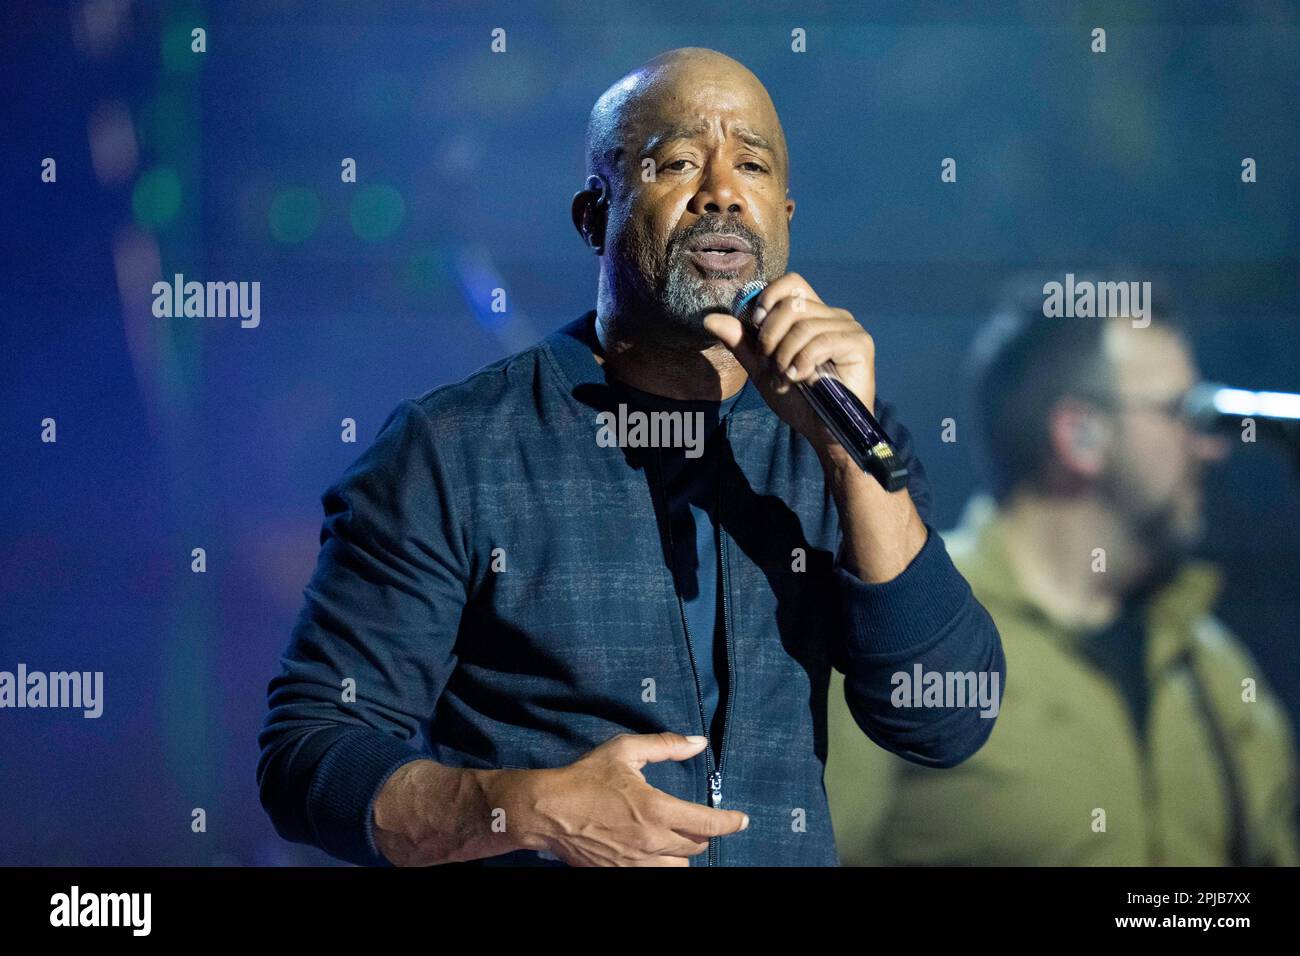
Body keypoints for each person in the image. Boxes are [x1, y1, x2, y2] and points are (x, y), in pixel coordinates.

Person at [258, 47, 1004, 868]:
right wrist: (524, 809)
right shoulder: (456, 449)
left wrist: (848, 462)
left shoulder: (839, 438)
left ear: (784, 215)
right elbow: (308, 754)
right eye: (679, 162)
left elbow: (944, 721)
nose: (722, 191)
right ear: (594, 215)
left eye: (751, 166)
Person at [825, 283, 1299, 865]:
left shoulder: (1215, 667)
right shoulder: (912, 628)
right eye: (1181, 411)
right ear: (1080, 435)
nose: (1209, 448)